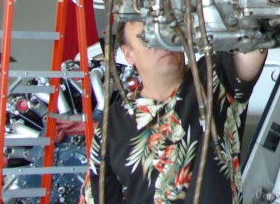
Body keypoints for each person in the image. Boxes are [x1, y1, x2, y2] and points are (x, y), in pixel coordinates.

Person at [79, 21, 266, 204]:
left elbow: (253, 44)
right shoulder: (112, 124)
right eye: (149, 36)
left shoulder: (213, 78)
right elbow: (96, 196)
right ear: (128, 53)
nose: (162, 41)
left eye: (168, 30)